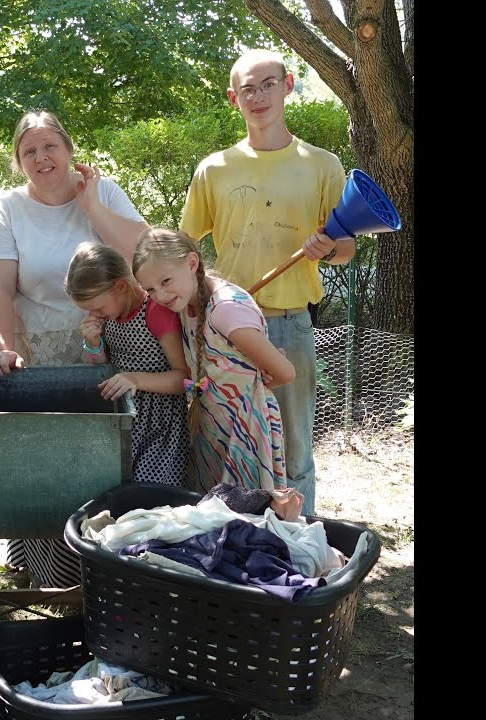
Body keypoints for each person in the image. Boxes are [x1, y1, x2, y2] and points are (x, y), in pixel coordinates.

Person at [0, 109, 150, 589]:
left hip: (108, 342)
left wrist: (92, 205)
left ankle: (105, 568)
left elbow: (145, 251)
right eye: (29, 150)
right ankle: (39, 567)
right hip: (37, 350)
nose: (41, 157)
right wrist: (3, 349)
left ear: (69, 150)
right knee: (41, 456)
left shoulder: (104, 191)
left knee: (101, 456)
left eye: (50, 145)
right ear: (19, 161)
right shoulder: (8, 206)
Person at [179, 49, 350, 516]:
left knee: (294, 447)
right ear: (234, 99)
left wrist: (327, 248)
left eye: (268, 84)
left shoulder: (322, 165)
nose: (259, 97)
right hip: (227, 329)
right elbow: (184, 248)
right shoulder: (214, 168)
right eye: (248, 89)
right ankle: (233, 548)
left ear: (289, 84)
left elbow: (347, 249)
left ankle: (300, 546)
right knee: (228, 442)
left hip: (291, 324)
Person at [132, 227, 297, 499]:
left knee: (245, 515)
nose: (159, 296)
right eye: (150, 289)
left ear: (192, 263)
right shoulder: (185, 304)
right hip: (212, 425)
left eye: (165, 281)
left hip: (244, 432)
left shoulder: (227, 310)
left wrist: (261, 383)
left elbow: (285, 372)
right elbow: (202, 378)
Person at [64, 242, 190, 486]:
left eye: (97, 307)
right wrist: (93, 344)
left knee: (149, 492)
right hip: (125, 420)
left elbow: (184, 380)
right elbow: (107, 368)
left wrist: (135, 379)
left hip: (161, 425)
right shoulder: (112, 314)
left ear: (120, 286)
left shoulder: (155, 312)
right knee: (117, 486)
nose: (95, 314)